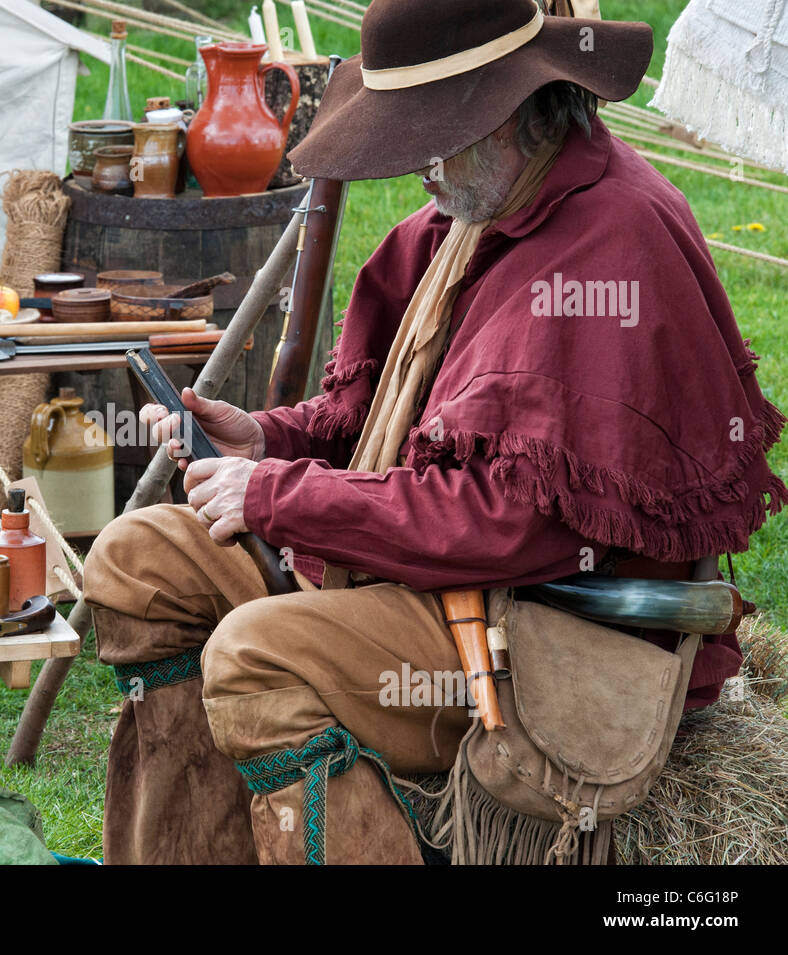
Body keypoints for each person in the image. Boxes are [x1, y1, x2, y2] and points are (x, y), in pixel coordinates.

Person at [82, 0, 786, 865]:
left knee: (258, 658)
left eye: (435, 133)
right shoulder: (467, 218)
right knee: (134, 563)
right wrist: (266, 441)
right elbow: (381, 421)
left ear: (517, 114)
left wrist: (280, 496)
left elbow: (506, 523)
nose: (417, 164)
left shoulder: (612, 243)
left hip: (533, 628)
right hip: (423, 582)